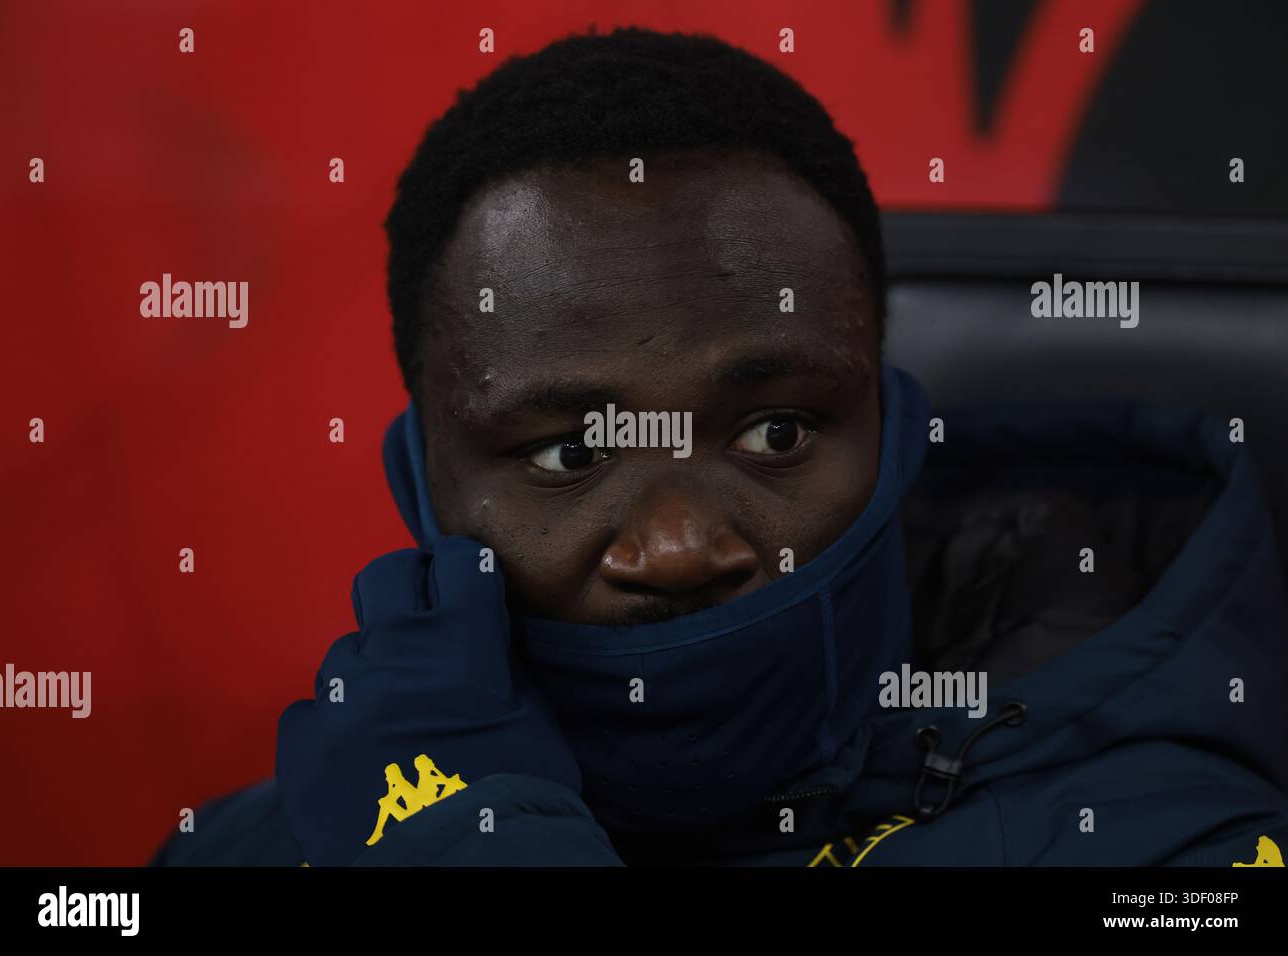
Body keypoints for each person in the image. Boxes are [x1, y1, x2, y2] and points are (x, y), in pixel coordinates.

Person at [152, 26, 1288, 868]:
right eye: (566, 454)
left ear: (891, 434)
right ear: (425, 490)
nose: (679, 544)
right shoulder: (272, 843)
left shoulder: (1168, 838)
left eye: (775, 432)